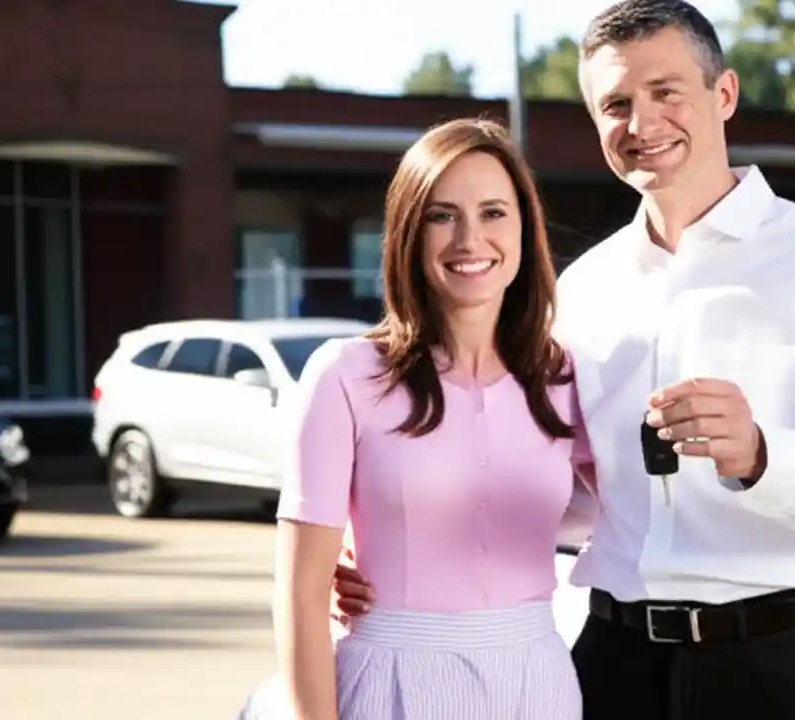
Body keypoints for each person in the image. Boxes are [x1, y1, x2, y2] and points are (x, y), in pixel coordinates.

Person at [332, 1, 795, 719]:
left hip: (780, 666)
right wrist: (401, 542)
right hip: (614, 663)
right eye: (615, 104)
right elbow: (574, 496)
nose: (641, 124)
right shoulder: (582, 289)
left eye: (665, 92)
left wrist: (762, 453)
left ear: (725, 95)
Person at [237, 118, 593, 720]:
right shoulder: (344, 375)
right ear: (408, 232)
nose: (469, 239)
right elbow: (299, 595)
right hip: (391, 680)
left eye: (493, 213)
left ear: (526, 231)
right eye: (442, 215)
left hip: (539, 682)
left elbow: (636, 520)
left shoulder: (568, 380)